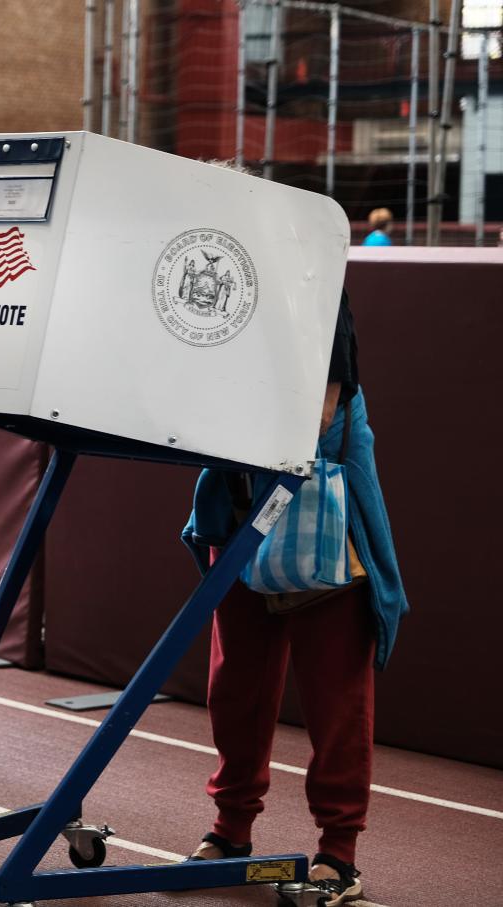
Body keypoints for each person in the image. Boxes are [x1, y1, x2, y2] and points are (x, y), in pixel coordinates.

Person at [181, 291, 407, 906]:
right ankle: (230, 833)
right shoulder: (214, 293)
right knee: (235, 688)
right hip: (236, 510)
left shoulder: (319, 294)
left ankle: (339, 852)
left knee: (336, 699)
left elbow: (317, 418)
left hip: (322, 522)